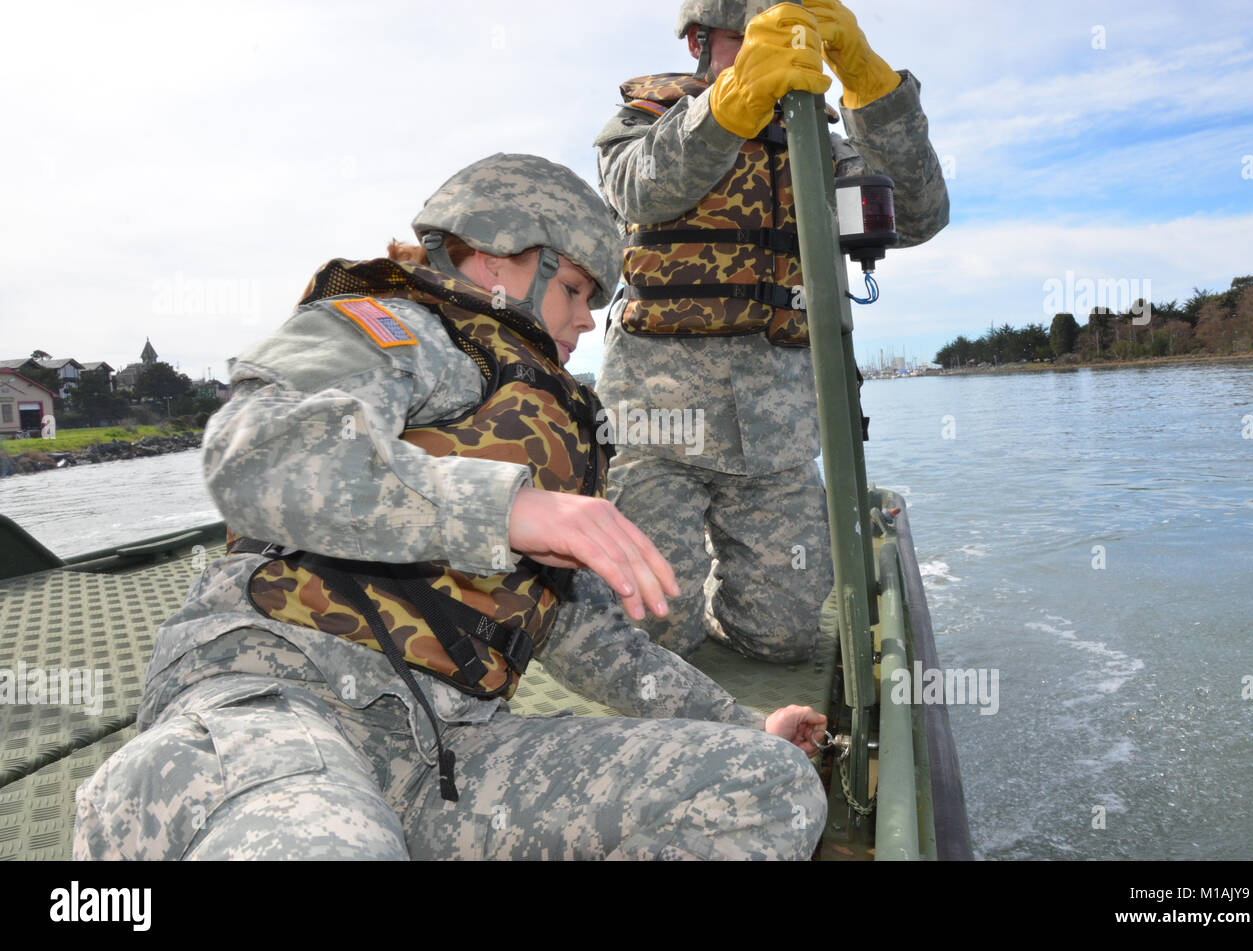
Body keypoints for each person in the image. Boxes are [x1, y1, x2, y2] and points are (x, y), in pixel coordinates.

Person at [72, 153, 829, 861]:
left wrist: (743, 725)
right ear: (498, 258)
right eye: (574, 289)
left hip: (448, 748)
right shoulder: (399, 330)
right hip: (286, 697)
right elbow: (255, 453)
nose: (587, 319)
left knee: (773, 789)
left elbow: (594, 640)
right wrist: (507, 511)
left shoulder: (540, 416)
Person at [594, 0, 949, 663]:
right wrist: (731, 105)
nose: (782, 49)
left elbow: (923, 213)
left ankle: (720, 586)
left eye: (794, 37)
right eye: (751, 37)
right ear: (702, 41)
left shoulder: (815, 143)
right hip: (655, 424)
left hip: (775, 430)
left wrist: (871, 84)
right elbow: (637, 190)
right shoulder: (648, 118)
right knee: (650, 636)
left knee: (784, 637)